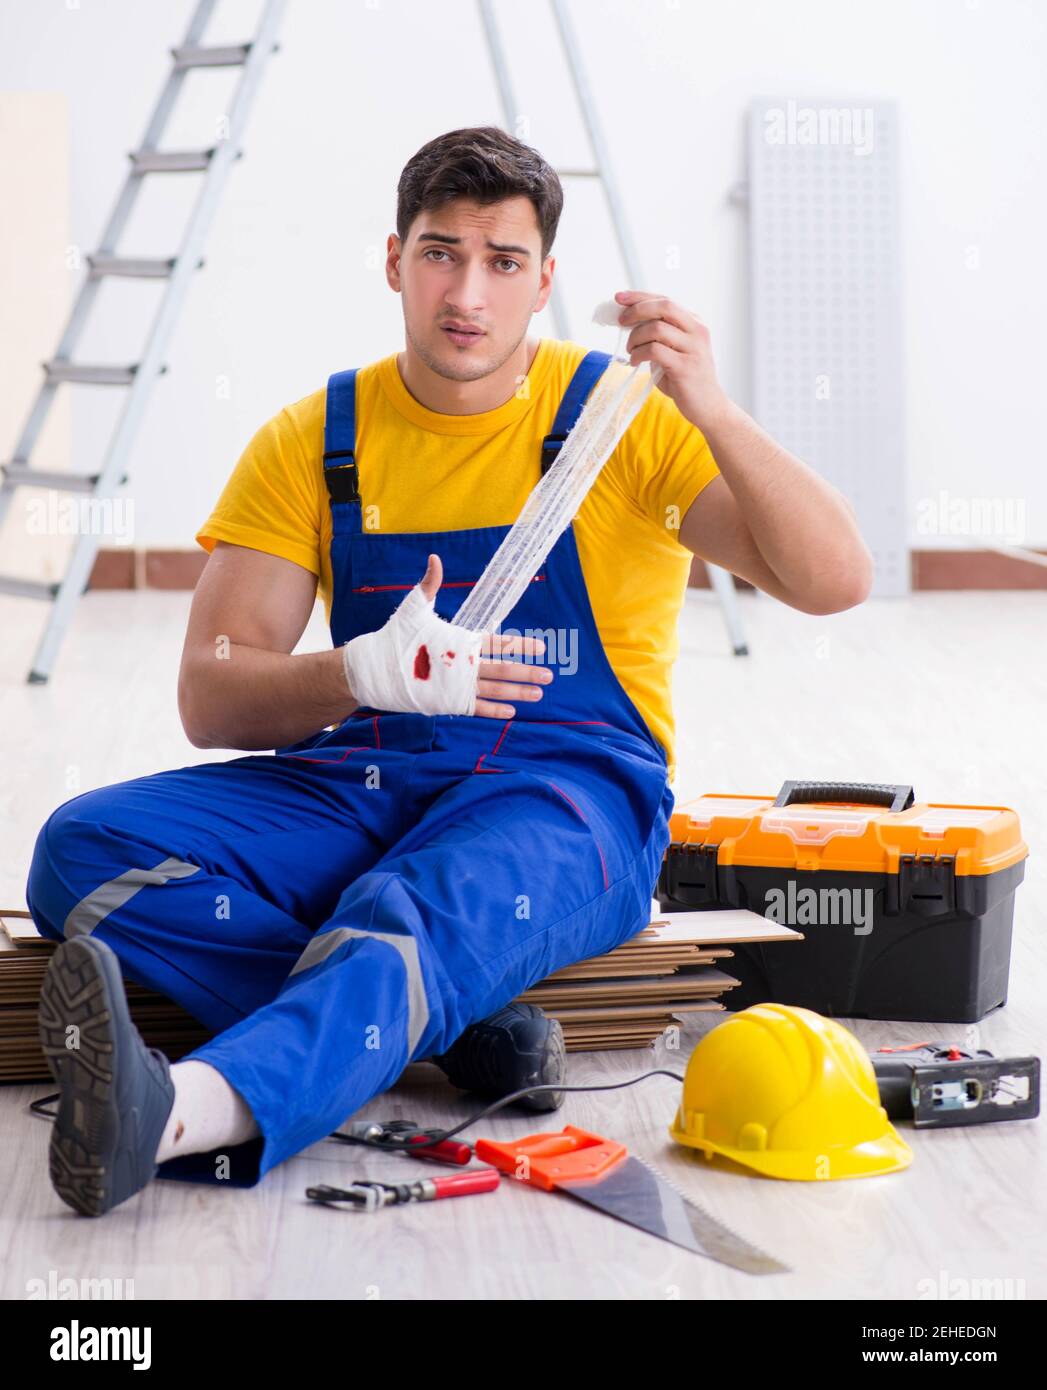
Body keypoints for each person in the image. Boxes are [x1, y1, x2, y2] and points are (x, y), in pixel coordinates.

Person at [26, 126, 874, 1217]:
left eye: (502, 261)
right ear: (395, 260)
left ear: (544, 280)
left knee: (401, 906)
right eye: (440, 253)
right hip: (367, 775)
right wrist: (361, 673)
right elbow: (211, 694)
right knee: (84, 850)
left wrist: (709, 402)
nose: (467, 291)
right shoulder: (318, 440)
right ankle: (451, 1016)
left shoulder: (619, 425)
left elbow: (836, 577)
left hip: (566, 795)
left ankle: (182, 1108)